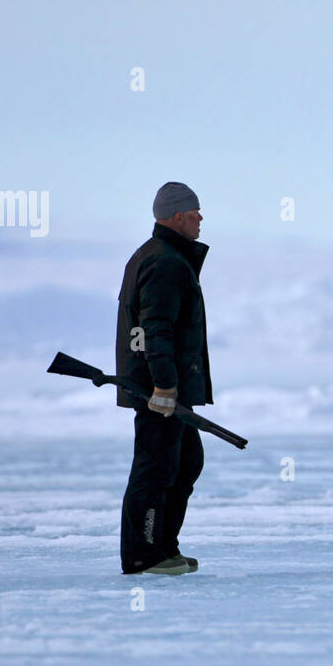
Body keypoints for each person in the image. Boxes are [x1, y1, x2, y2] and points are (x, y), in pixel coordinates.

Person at [114, 182, 213, 575]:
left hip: (162, 385)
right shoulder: (165, 262)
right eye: (195, 212)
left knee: (185, 462)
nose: (201, 218)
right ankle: (144, 555)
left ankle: (162, 548)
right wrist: (165, 387)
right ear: (177, 217)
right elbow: (156, 328)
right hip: (158, 388)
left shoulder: (161, 256)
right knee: (157, 468)